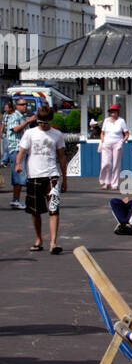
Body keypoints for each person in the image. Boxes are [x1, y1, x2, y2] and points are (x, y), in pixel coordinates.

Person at [15, 106, 67, 254]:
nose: (43, 125)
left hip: (52, 176)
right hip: (34, 175)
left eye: (45, 122)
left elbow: (62, 158)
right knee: (35, 211)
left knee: (53, 208)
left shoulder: (57, 135)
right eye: (40, 122)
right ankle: (39, 239)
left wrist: (65, 178)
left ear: (50, 120)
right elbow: (22, 152)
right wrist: (18, 164)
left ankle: (53, 243)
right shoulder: (30, 133)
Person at [5, 96, 34, 209]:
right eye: (22, 104)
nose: (25, 106)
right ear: (16, 106)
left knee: (22, 174)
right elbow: (15, 129)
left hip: (22, 148)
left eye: (26, 104)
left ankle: (17, 199)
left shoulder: (21, 116)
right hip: (17, 148)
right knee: (19, 174)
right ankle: (15, 200)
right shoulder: (14, 116)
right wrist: (28, 121)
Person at [98, 104, 130, 191]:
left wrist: (122, 142)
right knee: (106, 163)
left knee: (116, 164)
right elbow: (102, 133)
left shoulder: (121, 121)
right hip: (107, 143)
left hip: (117, 143)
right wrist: (102, 140)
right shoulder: (106, 121)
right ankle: (105, 182)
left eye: (114, 111)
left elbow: (127, 134)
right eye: (111, 112)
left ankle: (114, 184)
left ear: (117, 112)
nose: (113, 113)